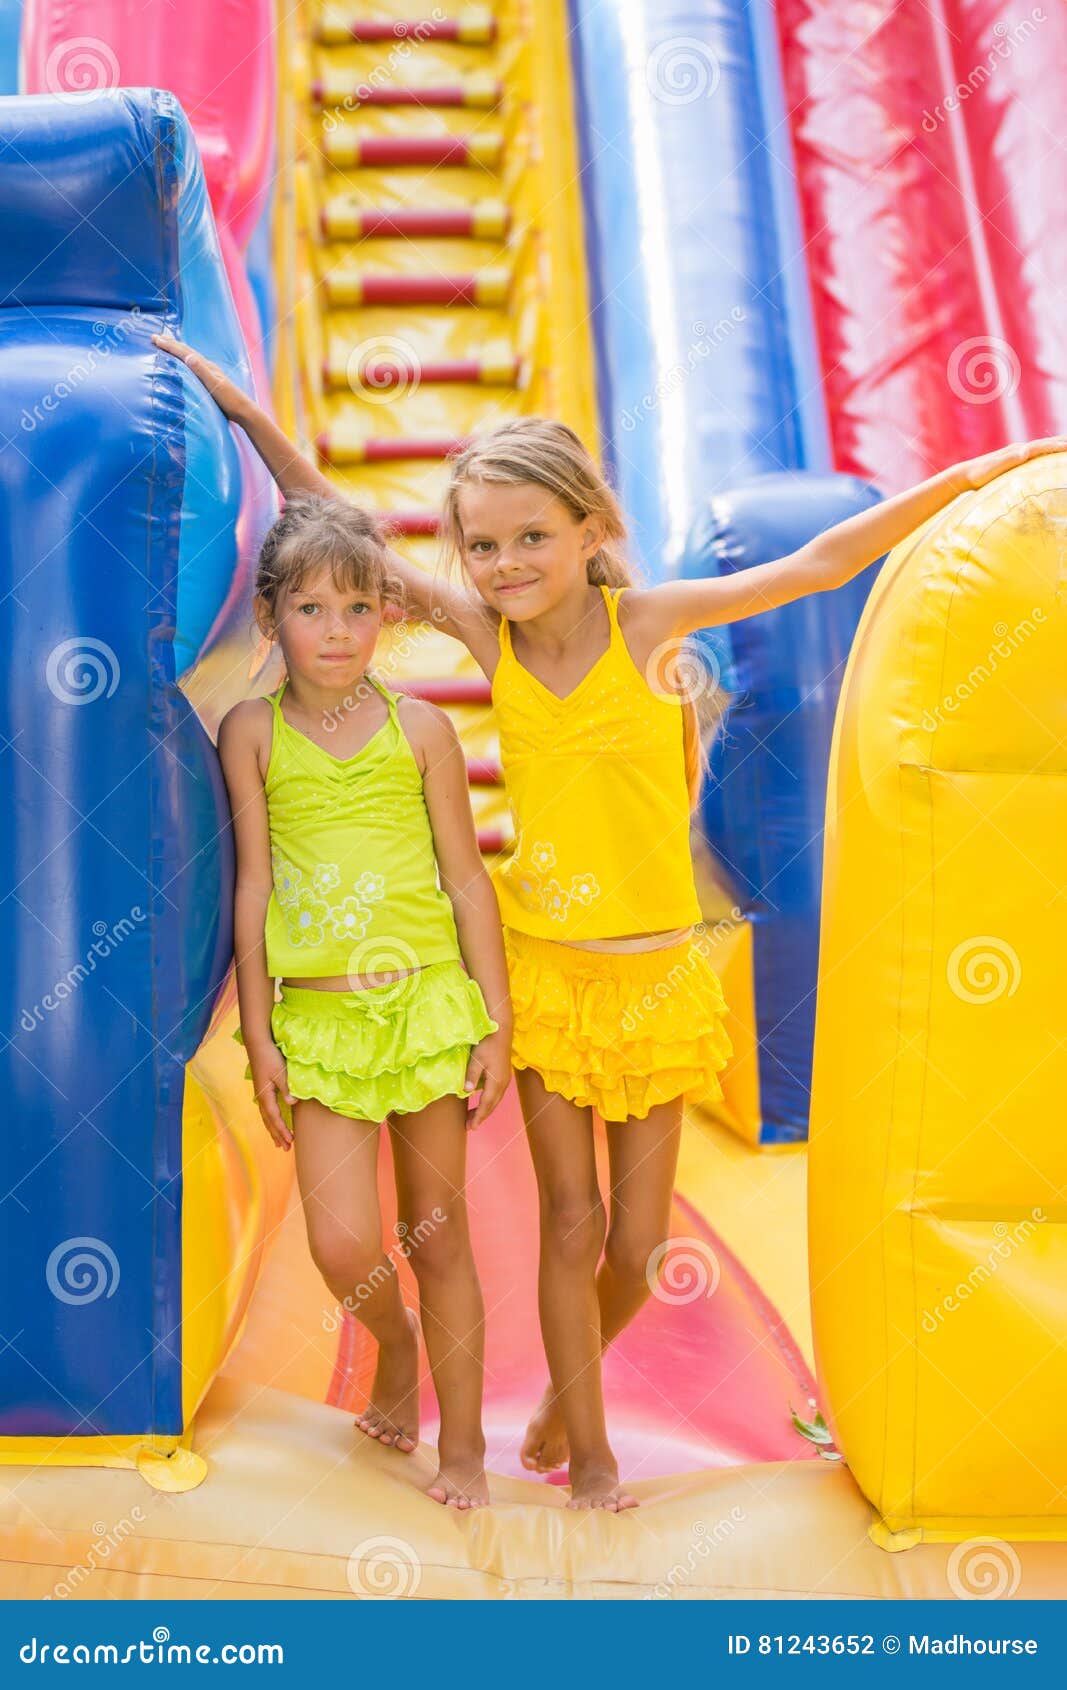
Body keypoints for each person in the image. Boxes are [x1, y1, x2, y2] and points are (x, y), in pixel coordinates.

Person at [153, 328, 1067, 1510]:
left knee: (637, 1248)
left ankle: (556, 1395)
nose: (504, 564)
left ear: (590, 530)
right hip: (548, 975)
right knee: (569, 1223)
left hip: (656, 983)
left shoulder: (646, 626)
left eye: (531, 537)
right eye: (482, 545)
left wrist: (976, 474)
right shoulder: (488, 639)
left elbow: (820, 562)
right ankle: (586, 1453)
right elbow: (337, 518)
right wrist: (245, 411)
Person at [213, 488, 511, 1511]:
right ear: (270, 618)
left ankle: (462, 1448)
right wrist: (260, 1035)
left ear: (385, 614)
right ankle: (395, 1339)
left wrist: (493, 1022)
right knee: (341, 1241)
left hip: (425, 1007)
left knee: (440, 1230)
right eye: (310, 609)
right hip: (321, 1021)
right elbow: (253, 886)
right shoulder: (251, 733)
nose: (336, 631)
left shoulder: (420, 728)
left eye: (356, 608)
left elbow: (466, 881)